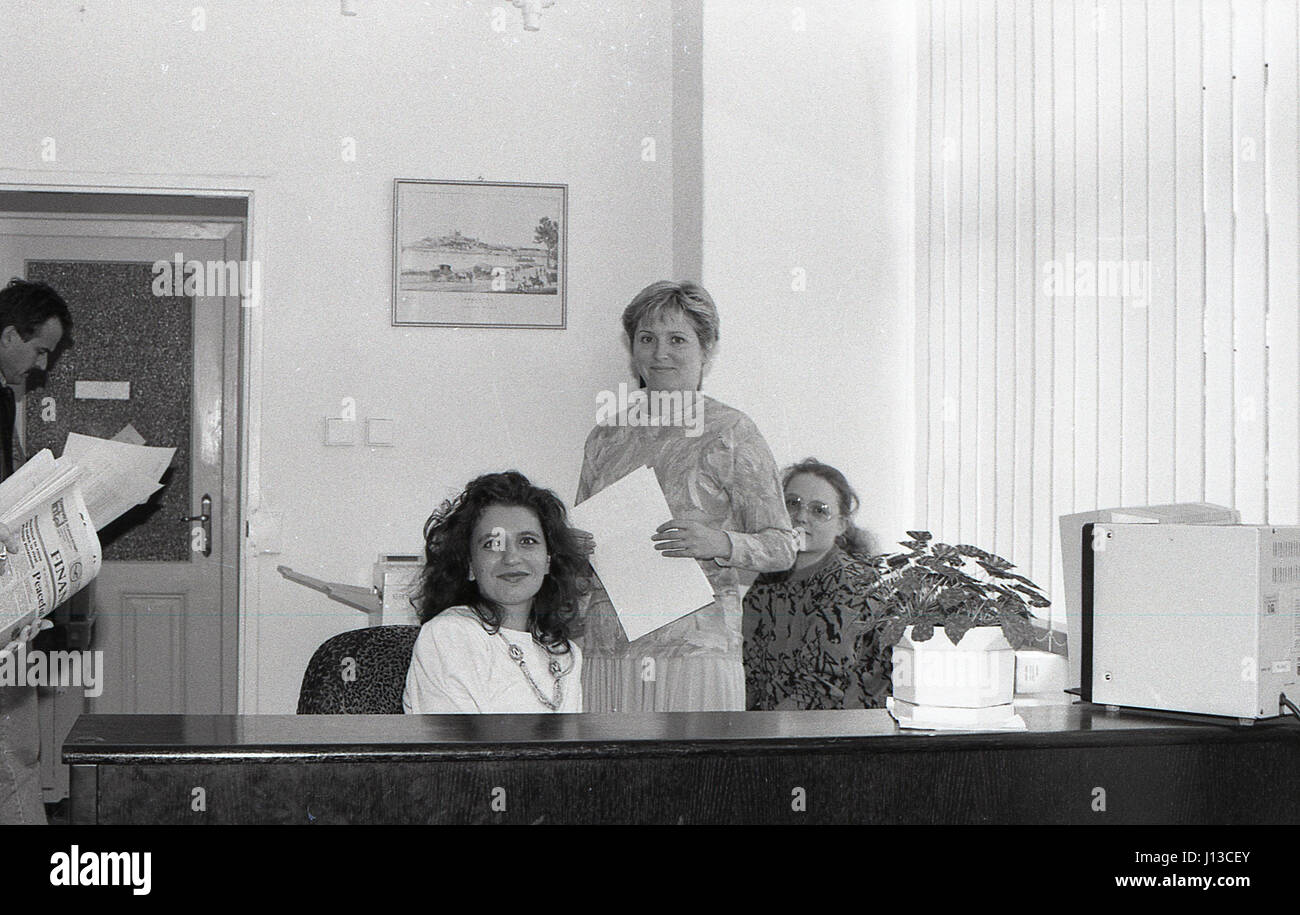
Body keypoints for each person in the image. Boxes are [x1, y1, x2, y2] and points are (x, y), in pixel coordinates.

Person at [575, 280, 796, 712]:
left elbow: (783, 546)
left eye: (677, 339)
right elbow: (581, 542)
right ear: (632, 347)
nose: (660, 353)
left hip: (695, 651)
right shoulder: (605, 435)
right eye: (647, 339)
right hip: (608, 646)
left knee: (696, 780)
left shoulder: (731, 431)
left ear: (706, 349)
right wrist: (576, 546)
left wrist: (721, 543)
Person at [402, 471, 586, 714]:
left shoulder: (566, 653)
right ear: (470, 566)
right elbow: (458, 750)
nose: (511, 558)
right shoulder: (450, 634)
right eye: (492, 544)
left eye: (528, 541)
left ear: (548, 561)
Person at [0, 278, 72, 825]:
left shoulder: (5, 401)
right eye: (40, 349)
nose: (42, 364)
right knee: (14, 758)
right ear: (8, 337)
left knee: (19, 753)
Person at [743, 458, 892, 710]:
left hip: (842, 736)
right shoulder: (767, 579)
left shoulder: (851, 583)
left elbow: (821, 691)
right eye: (792, 504)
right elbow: (750, 674)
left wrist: (755, 740)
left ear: (841, 525)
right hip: (778, 729)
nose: (801, 517)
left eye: (819, 510)